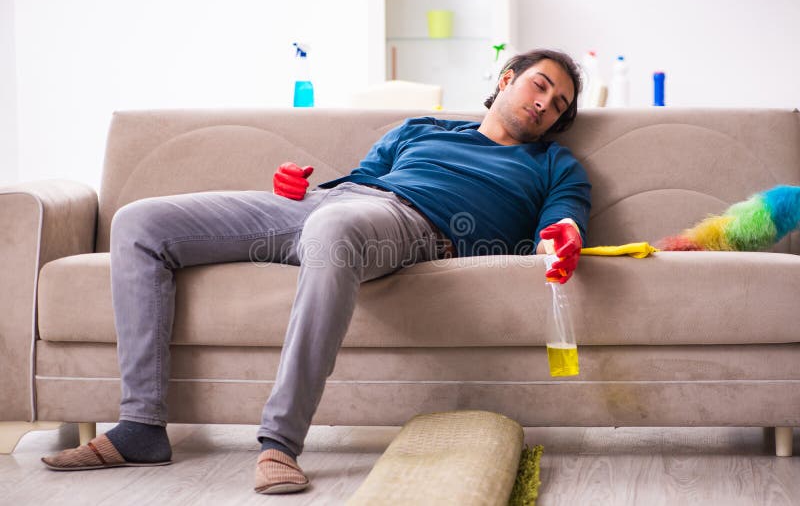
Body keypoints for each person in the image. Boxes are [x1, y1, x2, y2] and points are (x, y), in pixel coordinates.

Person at [41, 48, 591, 494]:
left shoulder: (551, 163)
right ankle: (140, 426)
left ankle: (279, 443)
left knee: (333, 230)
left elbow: (561, 218)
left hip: (415, 227)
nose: (546, 103)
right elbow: (357, 182)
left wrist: (563, 234)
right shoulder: (419, 128)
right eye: (540, 85)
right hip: (334, 207)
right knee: (141, 223)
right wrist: (297, 189)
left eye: (560, 103)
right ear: (507, 78)